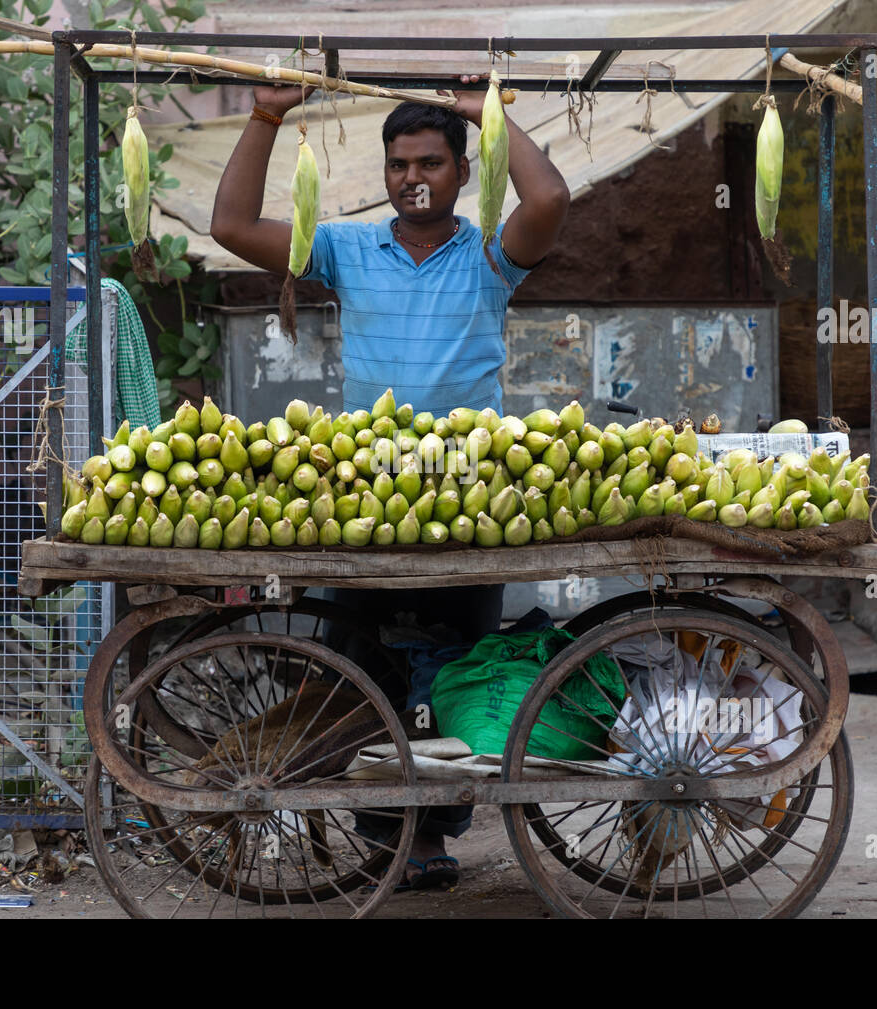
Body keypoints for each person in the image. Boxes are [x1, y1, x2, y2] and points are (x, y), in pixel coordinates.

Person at [210, 74, 570, 890]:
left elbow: (550, 200)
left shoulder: (489, 253)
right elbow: (230, 224)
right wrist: (267, 116)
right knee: (364, 666)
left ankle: (431, 834)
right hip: (369, 492)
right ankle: (381, 830)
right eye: (400, 163)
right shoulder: (344, 248)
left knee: (452, 666)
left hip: (472, 491)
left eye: (434, 162)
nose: (414, 177)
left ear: (464, 172)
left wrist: (498, 118)